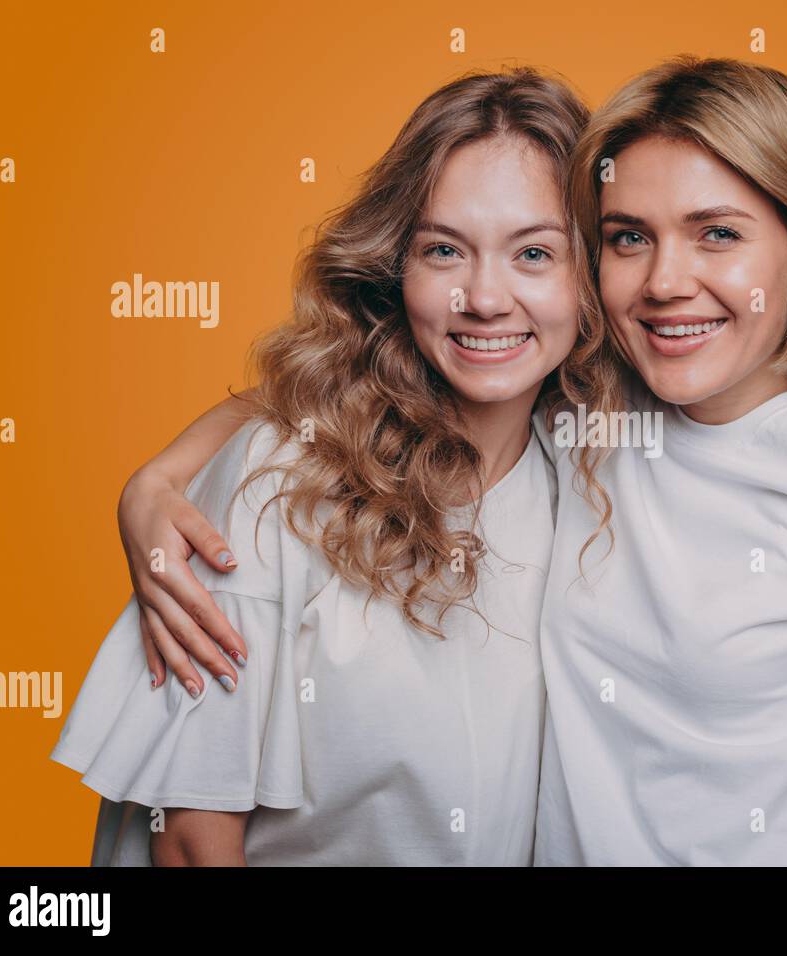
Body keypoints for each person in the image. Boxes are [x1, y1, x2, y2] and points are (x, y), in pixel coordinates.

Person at [94, 57, 787, 867]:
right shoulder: (590, 416)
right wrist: (161, 475)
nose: (665, 279)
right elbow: (370, 378)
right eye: (627, 238)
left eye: (719, 232)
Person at [49, 66, 609, 865]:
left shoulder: (596, 476)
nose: (484, 298)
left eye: (534, 253)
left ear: (589, 277)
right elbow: (189, 839)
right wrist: (156, 482)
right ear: (394, 267)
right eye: (444, 250)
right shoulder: (273, 485)